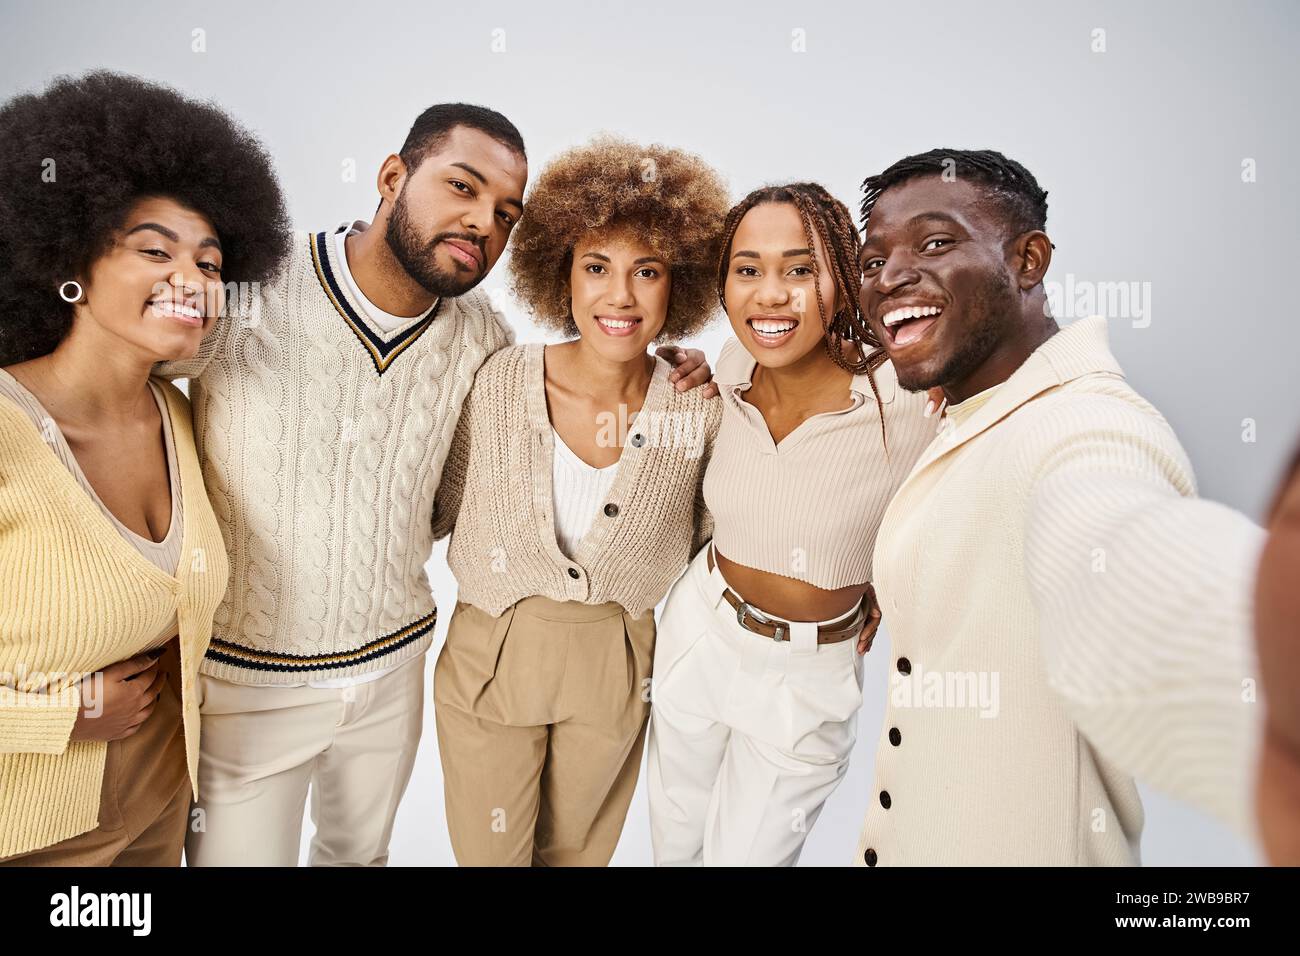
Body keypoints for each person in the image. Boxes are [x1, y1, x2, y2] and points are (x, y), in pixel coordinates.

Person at [153, 104, 715, 866]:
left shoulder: (482, 338)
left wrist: (682, 377)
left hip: (394, 668)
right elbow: (120, 383)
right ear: (392, 177)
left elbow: (462, 496)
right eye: (461, 186)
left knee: (362, 859)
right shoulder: (252, 289)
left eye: (506, 212)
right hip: (249, 677)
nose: (482, 220)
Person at [851, 148, 1265, 866]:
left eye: (937, 242)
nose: (890, 278)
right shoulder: (966, 411)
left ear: (1028, 260)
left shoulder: (1087, 427)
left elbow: (1116, 541)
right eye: (872, 260)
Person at [0, 70, 289, 865]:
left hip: (164, 812)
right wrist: (58, 714)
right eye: (154, 250)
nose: (192, 280)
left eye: (210, 261)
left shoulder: (185, 419)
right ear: (67, 261)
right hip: (32, 831)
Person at [430, 136, 728, 866]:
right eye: (596, 267)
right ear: (560, 274)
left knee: (576, 858)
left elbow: (720, 545)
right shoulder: (499, 382)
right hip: (491, 654)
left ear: (678, 285)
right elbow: (438, 502)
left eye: (646, 272)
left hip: (619, 664)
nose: (619, 296)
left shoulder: (698, 410)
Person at [647, 183, 934, 866]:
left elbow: (959, 499)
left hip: (807, 680)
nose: (770, 294)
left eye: (800, 270)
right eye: (748, 270)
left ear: (841, 276)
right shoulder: (731, 363)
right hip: (700, 630)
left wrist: (888, 581)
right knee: (673, 843)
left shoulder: (906, 395)